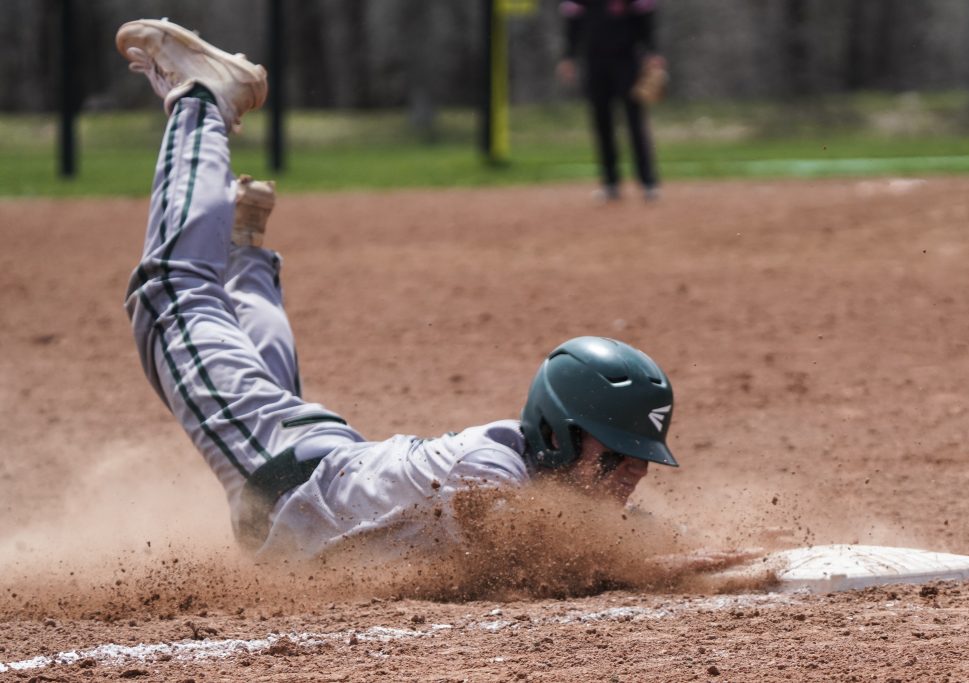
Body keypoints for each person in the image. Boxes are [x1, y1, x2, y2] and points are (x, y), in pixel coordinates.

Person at [116, 19, 678, 560]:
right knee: (171, 289)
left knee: (259, 385)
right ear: (561, 436)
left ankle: (243, 254)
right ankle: (201, 100)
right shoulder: (490, 471)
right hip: (283, 480)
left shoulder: (550, 490)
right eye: (617, 453)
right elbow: (530, 551)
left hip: (318, 470)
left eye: (642, 458)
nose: (634, 472)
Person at [557, 0, 664, 203]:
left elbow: (646, 20)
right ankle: (610, 183)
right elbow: (572, 24)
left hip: (628, 62)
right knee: (602, 122)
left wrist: (652, 52)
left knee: (635, 122)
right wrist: (568, 57)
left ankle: (648, 182)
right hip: (594, 61)